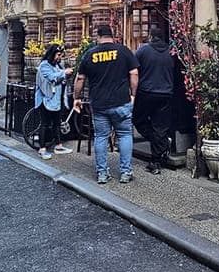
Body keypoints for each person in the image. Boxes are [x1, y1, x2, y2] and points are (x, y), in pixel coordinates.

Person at [73, 24, 138, 184]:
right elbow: (134, 74)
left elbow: (80, 78)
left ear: (98, 37)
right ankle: (125, 172)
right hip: (121, 101)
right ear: (113, 35)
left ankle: (102, 173)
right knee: (124, 135)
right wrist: (133, 95)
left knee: (101, 137)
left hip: (99, 104)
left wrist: (76, 97)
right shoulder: (124, 51)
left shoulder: (90, 54)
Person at [134, 25, 174, 174]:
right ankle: (156, 160)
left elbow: (133, 69)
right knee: (160, 126)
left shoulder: (143, 50)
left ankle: (161, 144)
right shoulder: (171, 51)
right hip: (166, 93)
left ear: (151, 36)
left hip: (147, 92)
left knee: (138, 120)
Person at [35, 43, 73, 159]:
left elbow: (60, 79)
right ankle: (42, 149)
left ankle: (58, 145)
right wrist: (64, 73)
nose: (59, 57)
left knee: (57, 123)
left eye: (60, 55)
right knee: (45, 124)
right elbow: (51, 77)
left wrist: (65, 77)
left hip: (56, 99)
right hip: (45, 99)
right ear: (52, 54)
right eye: (57, 55)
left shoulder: (58, 66)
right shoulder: (44, 65)